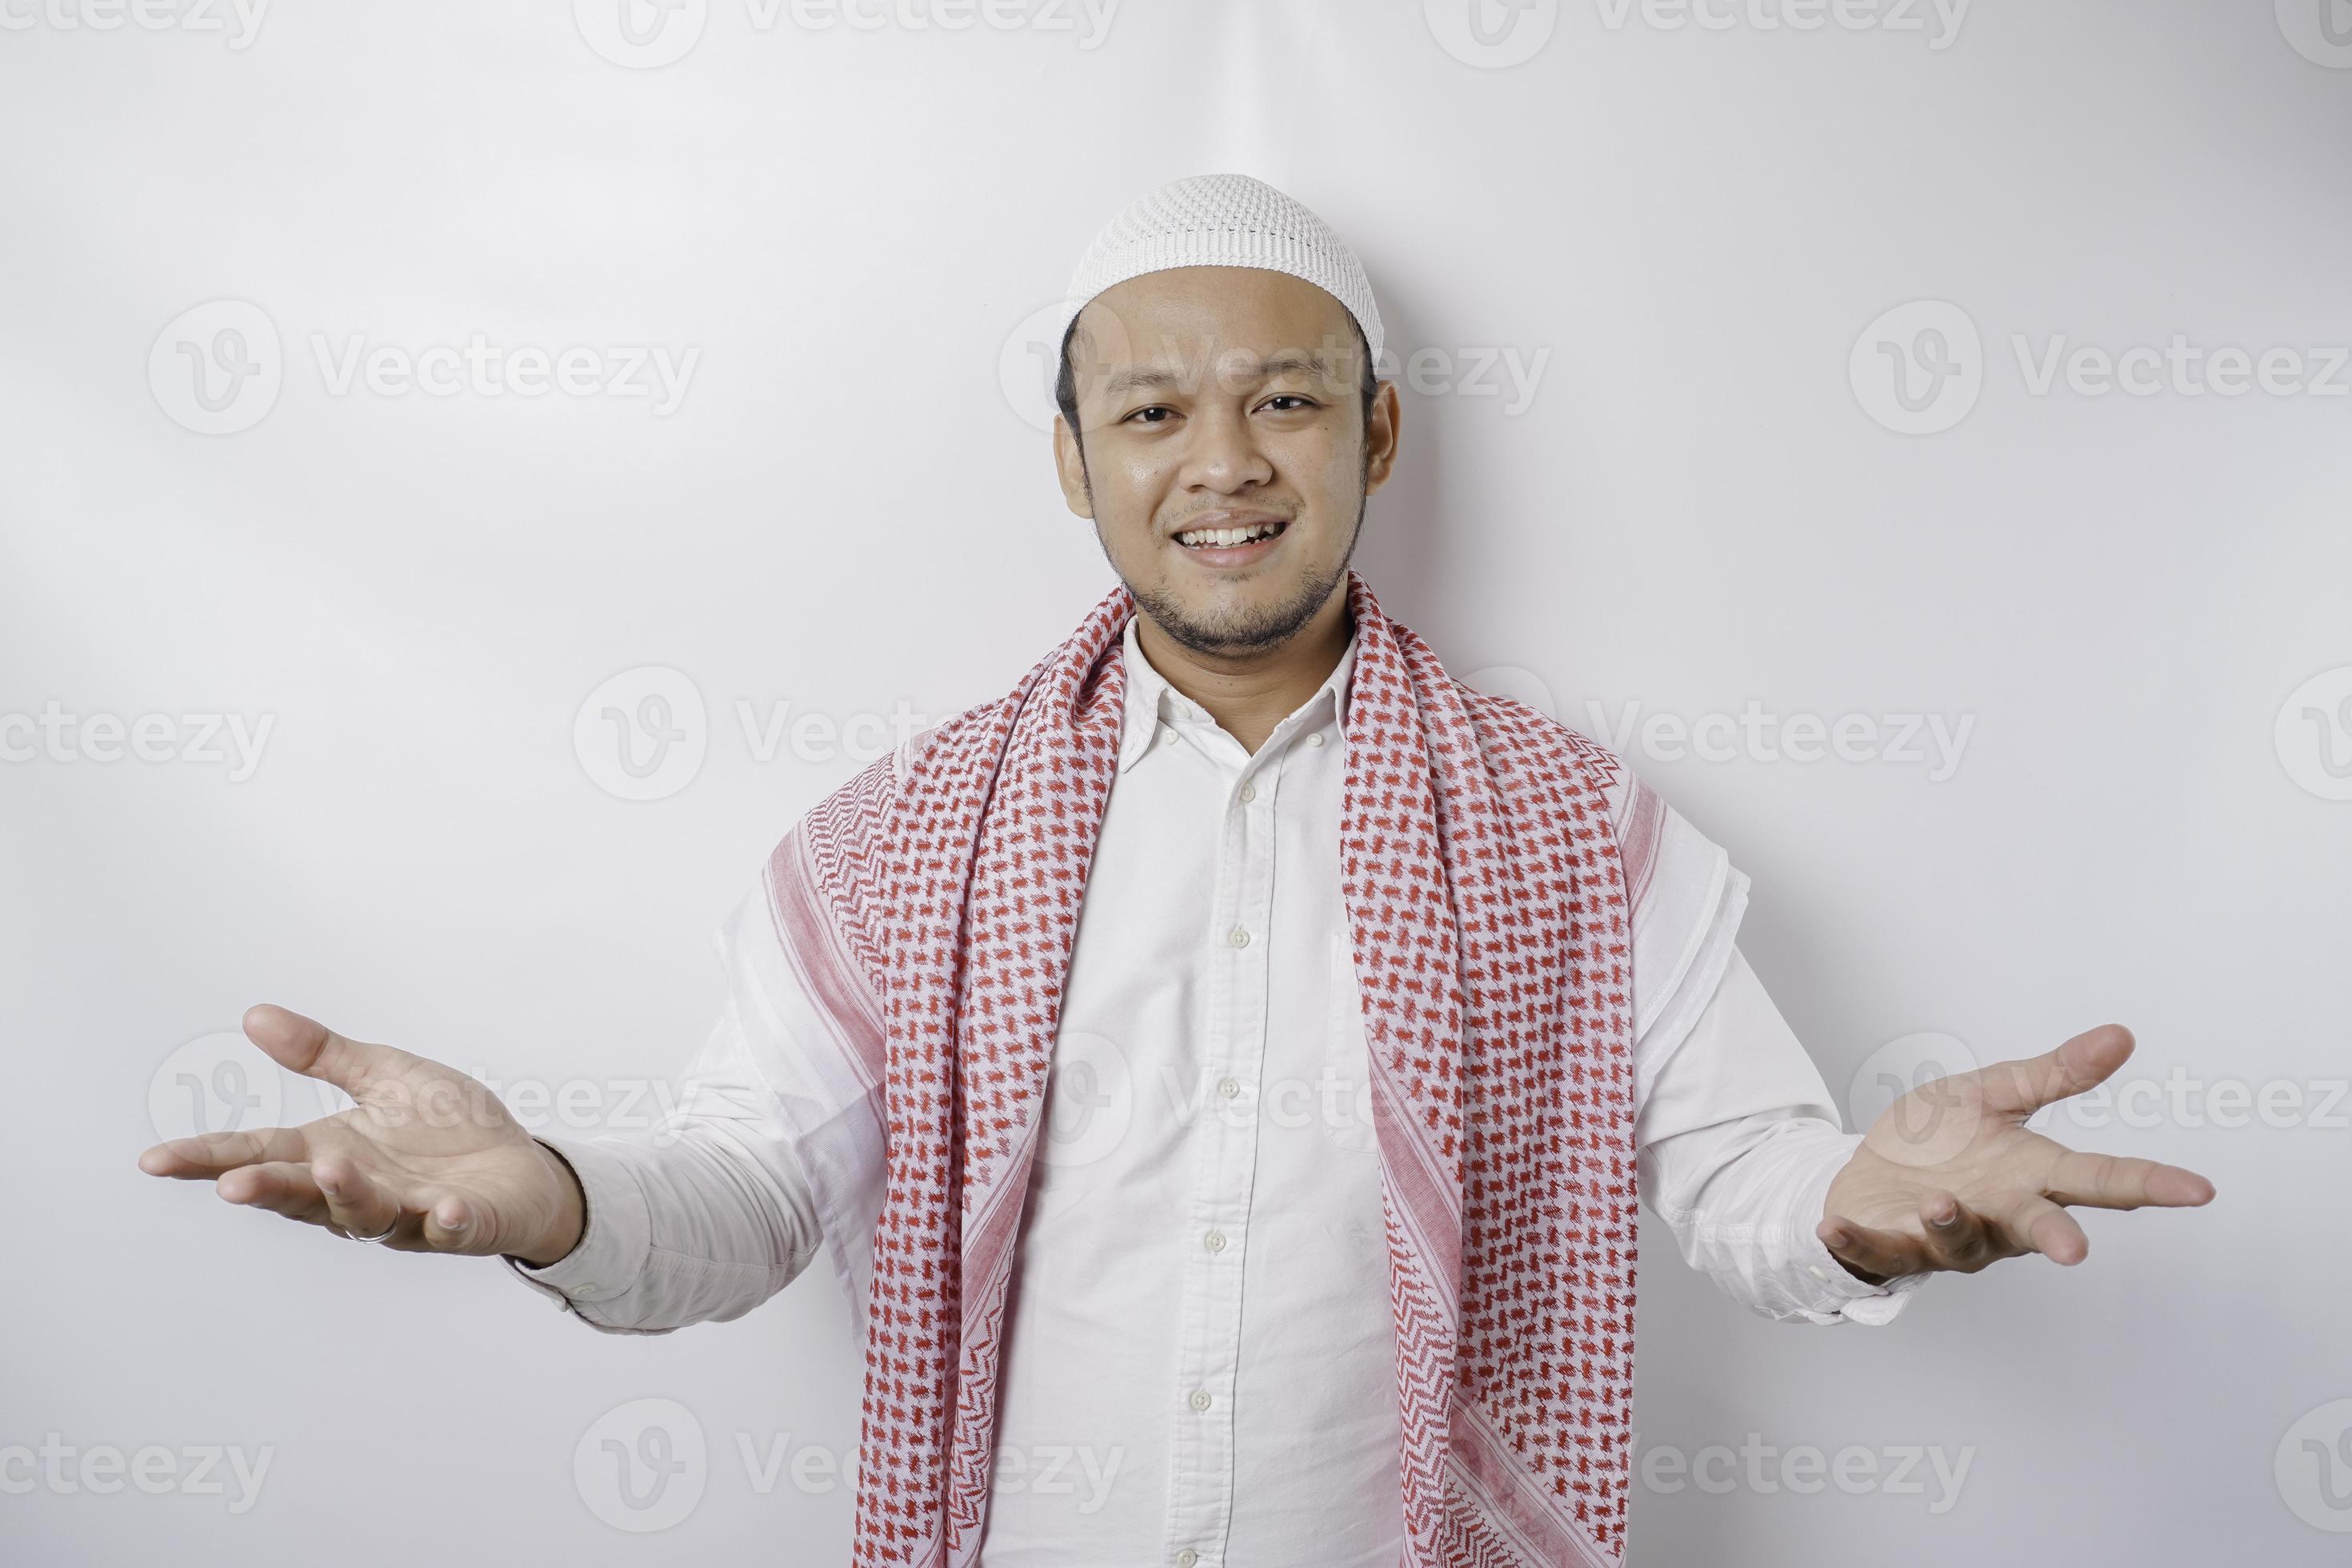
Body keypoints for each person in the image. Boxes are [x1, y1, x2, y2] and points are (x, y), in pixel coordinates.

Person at [137, 173, 2216, 1568]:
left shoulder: (1576, 834)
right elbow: (749, 1195)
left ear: (1376, 438)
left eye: (1282, 400)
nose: (1220, 463)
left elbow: (1747, 1180)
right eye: (1149, 411)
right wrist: (555, 1202)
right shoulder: (899, 846)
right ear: (1074, 461)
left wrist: (1859, 1205)